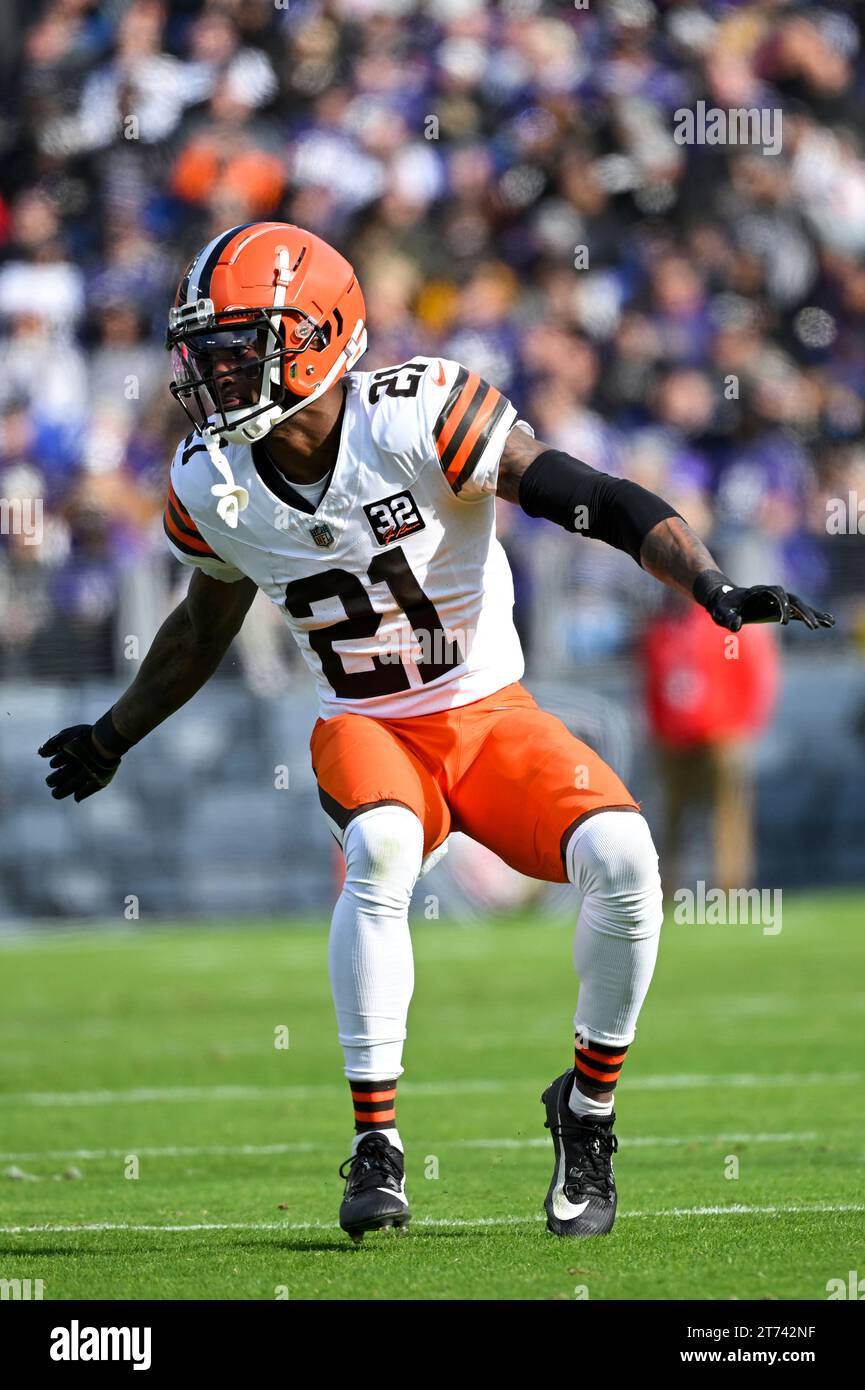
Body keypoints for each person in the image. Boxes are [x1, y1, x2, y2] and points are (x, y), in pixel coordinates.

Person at [38, 222, 834, 1241]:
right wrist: (113, 734)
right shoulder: (212, 482)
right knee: (378, 846)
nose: (215, 373)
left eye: (241, 347)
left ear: (319, 336)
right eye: (209, 352)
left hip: (489, 712)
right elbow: (202, 625)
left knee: (629, 859)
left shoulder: (418, 416)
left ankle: (586, 1112)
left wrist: (707, 582)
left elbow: (585, 494)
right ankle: (376, 1144)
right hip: (367, 722)